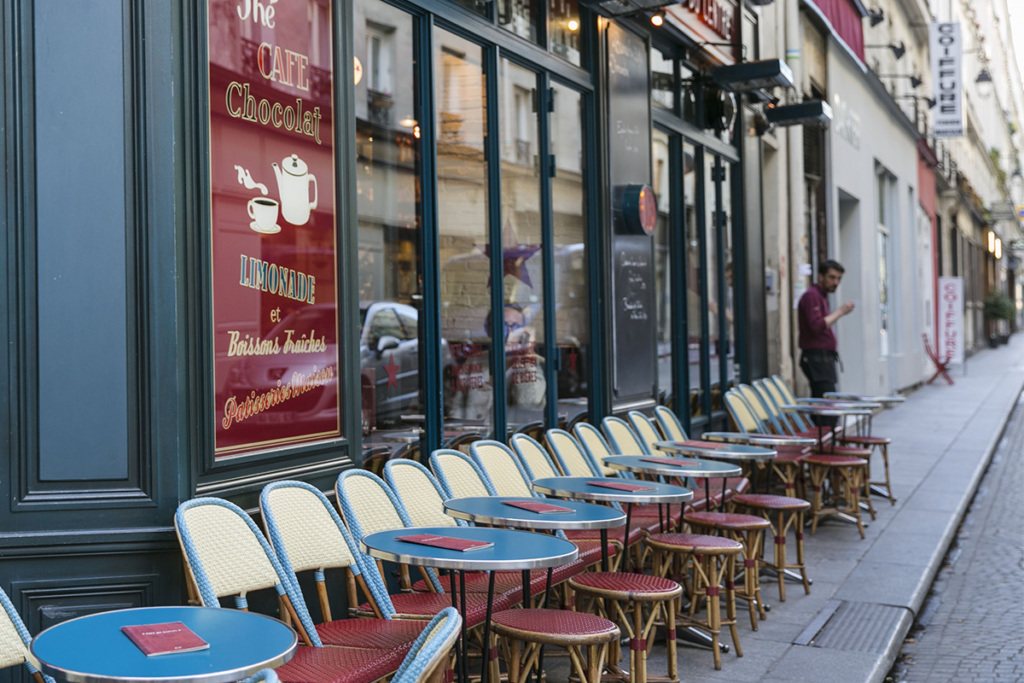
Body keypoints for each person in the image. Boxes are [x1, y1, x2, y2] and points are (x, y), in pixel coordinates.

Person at [798, 259, 855, 416]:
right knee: (827, 404)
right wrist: (841, 311)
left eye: (838, 279)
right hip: (817, 358)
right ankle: (824, 436)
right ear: (820, 276)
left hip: (822, 358)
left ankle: (824, 436)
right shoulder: (812, 296)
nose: (835, 282)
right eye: (832, 277)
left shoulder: (820, 296)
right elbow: (816, 326)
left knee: (825, 403)